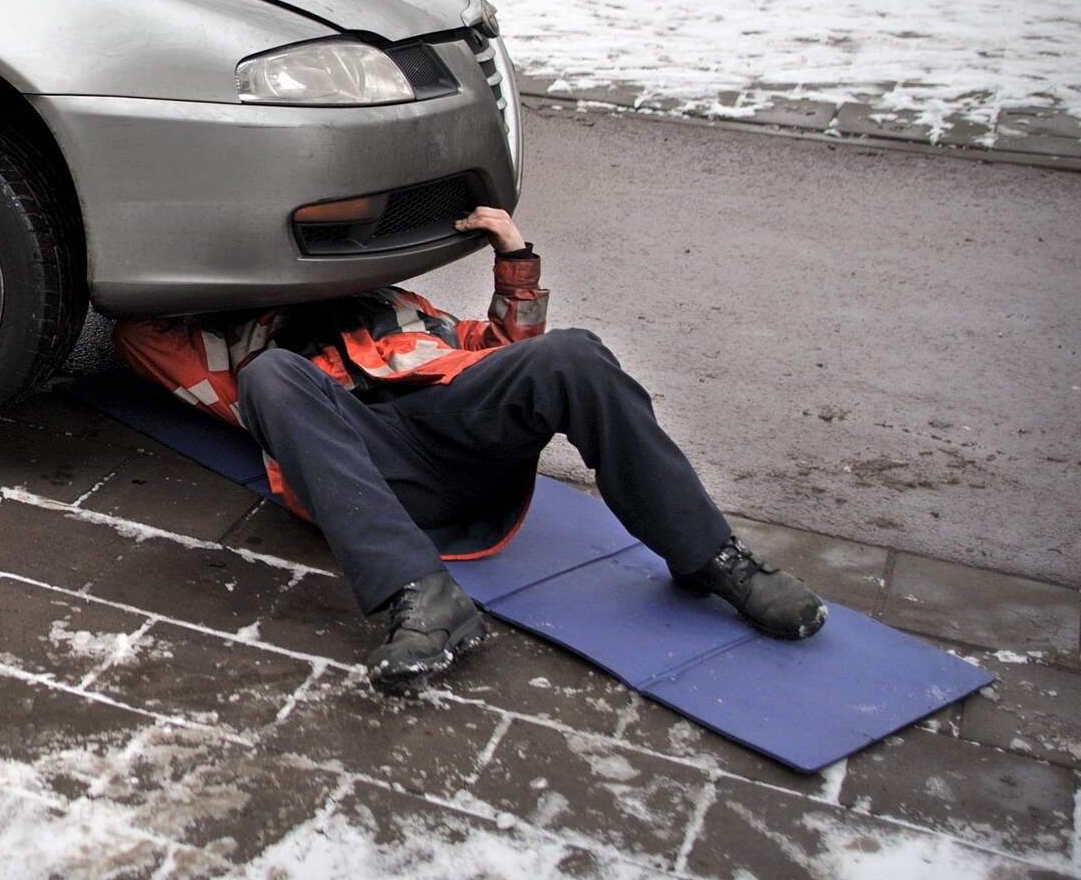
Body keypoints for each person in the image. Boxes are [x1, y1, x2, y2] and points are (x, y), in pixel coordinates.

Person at [112, 206, 823, 693]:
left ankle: (709, 555)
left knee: (572, 354)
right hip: (369, 457)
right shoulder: (242, 346)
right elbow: (138, 333)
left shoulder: (408, 306)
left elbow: (512, 358)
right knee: (270, 377)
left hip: (460, 428)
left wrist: (513, 255)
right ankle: (419, 593)